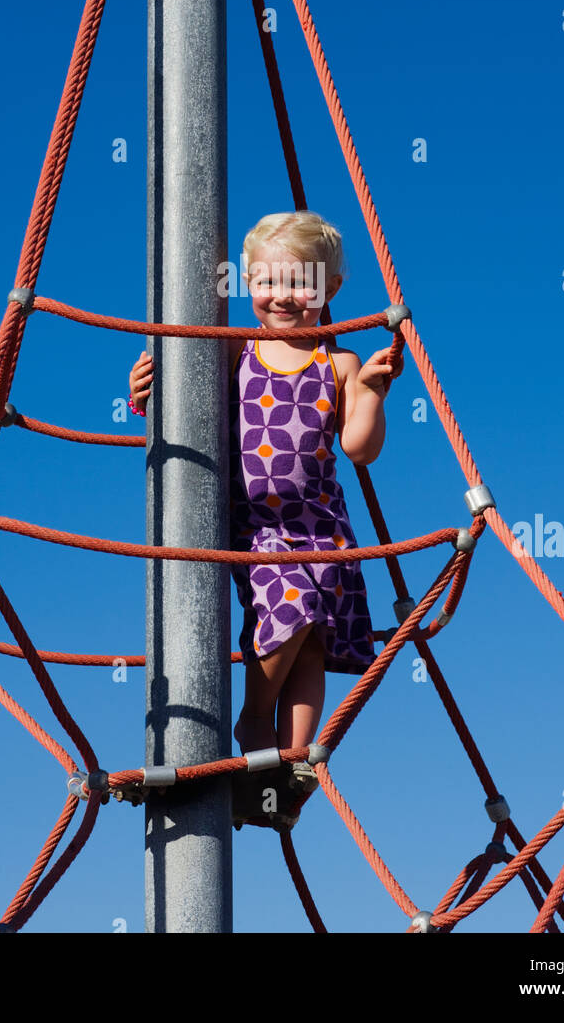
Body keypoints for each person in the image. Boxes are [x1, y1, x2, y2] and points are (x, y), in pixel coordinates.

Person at [128, 210, 403, 756]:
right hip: (258, 530)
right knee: (292, 604)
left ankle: (294, 758)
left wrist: (372, 391)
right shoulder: (235, 350)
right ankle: (254, 720)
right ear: (248, 282)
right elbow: (180, 401)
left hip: (322, 526)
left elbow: (359, 449)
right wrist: (144, 392)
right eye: (269, 282)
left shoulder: (340, 361)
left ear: (331, 288)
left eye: (302, 285)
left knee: (313, 641)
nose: (283, 296)